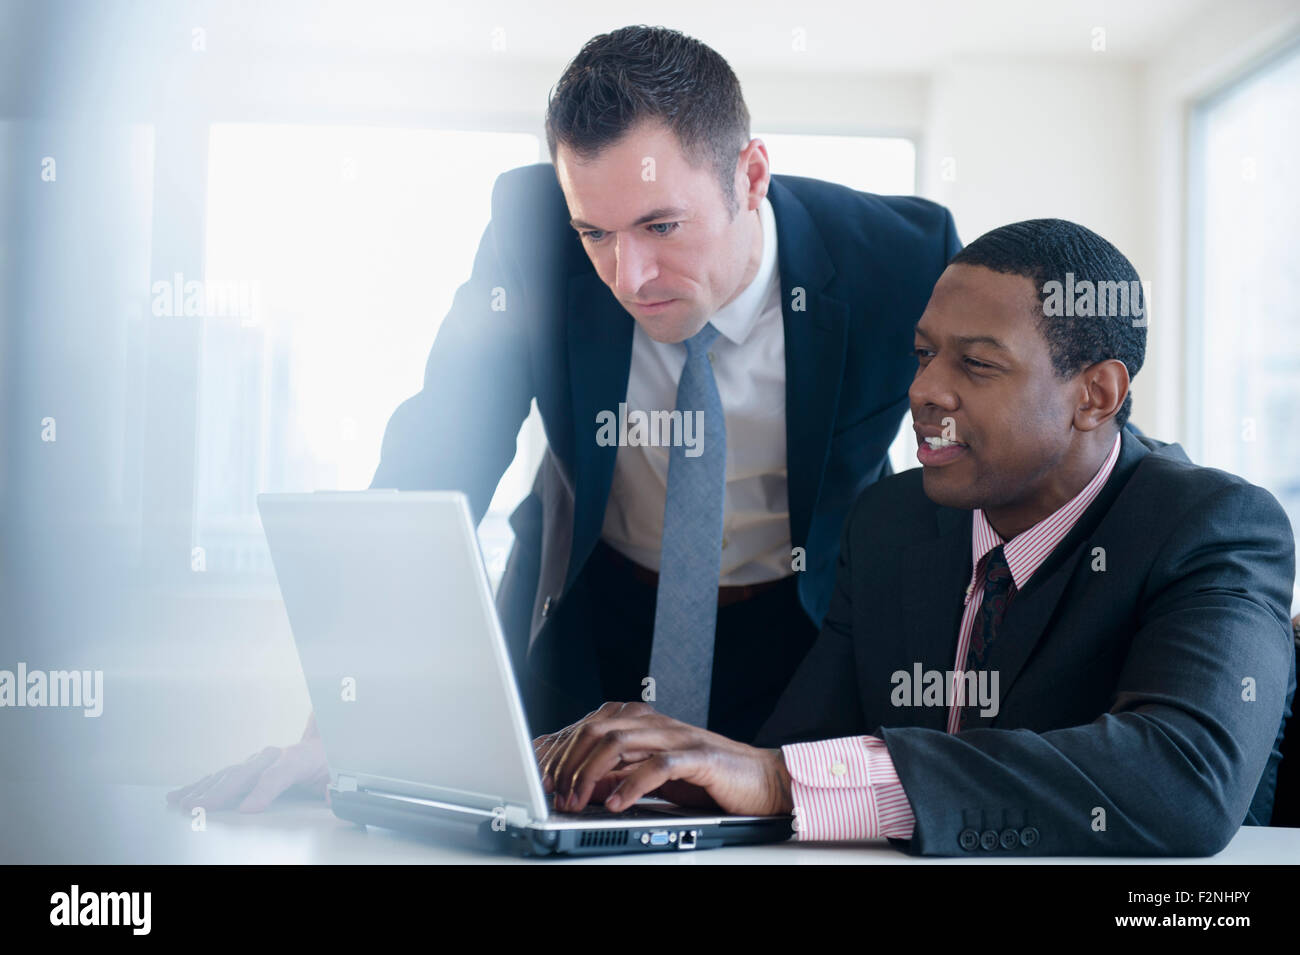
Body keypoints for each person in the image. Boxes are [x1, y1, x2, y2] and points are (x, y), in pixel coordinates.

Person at [169, 25, 960, 813]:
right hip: (594, 622)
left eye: (660, 225)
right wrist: (346, 721)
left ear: (749, 175)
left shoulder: (901, 261)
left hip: (804, 631)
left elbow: (966, 490)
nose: (630, 275)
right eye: (595, 233)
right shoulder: (531, 237)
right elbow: (436, 457)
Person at [533, 218, 1297, 856]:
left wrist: (781, 779)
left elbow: (1182, 781)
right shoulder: (892, 520)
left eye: (978, 364)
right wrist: (667, 773)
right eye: (925, 354)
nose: (925, 391)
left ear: (1095, 394)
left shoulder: (1214, 527)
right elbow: (803, 747)